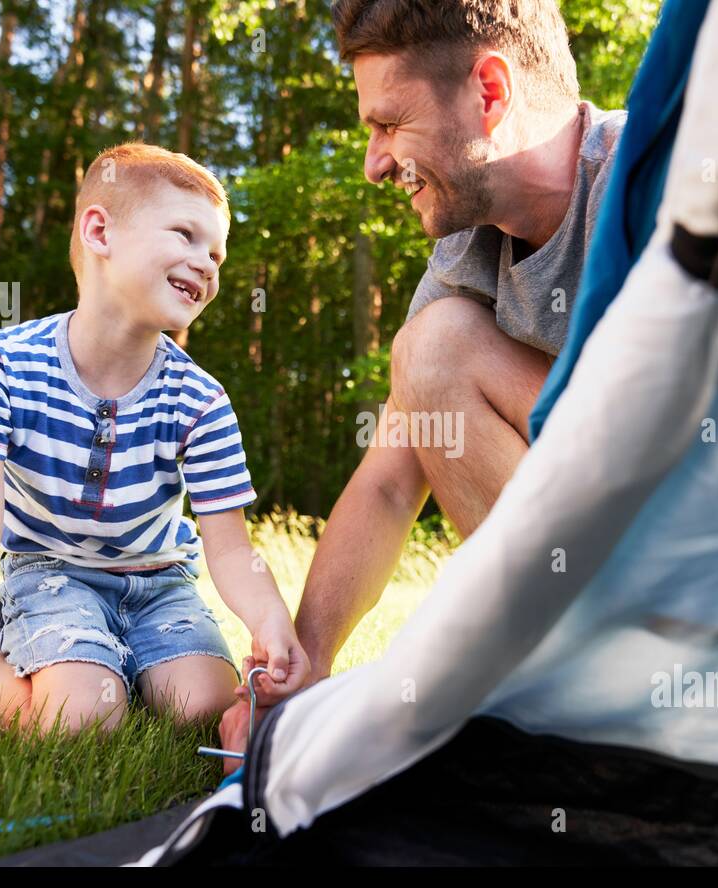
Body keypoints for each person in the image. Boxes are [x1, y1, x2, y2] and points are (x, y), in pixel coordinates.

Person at [219, 0, 627, 762]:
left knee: (436, 350)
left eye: (388, 124)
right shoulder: (467, 256)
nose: (375, 162)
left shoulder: (655, 185)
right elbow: (387, 483)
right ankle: (570, 680)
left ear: (491, 93)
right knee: (431, 351)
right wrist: (302, 666)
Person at [0, 143, 307, 761]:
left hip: (160, 584)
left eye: (217, 254)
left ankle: (107, 661)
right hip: (51, 573)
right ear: (99, 231)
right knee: (81, 719)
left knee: (201, 709)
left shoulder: (201, 399)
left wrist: (269, 619)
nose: (206, 263)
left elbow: (229, 547)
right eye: (186, 234)